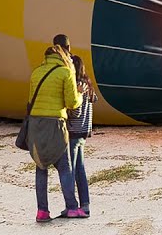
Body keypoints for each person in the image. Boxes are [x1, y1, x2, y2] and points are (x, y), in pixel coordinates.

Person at [27, 44, 85, 222]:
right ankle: (72, 207)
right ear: (62, 56)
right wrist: (81, 94)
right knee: (64, 167)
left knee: (41, 167)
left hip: (36, 125)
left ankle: (42, 212)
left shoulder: (36, 72)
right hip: (55, 124)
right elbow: (72, 102)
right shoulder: (65, 72)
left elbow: (30, 101)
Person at [67, 54, 98, 217]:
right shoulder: (88, 84)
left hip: (74, 132)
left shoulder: (76, 86)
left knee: (70, 170)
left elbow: (76, 111)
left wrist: (67, 108)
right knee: (80, 169)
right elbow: (95, 100)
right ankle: (85, 205)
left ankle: (72, 206)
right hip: (84, 133)